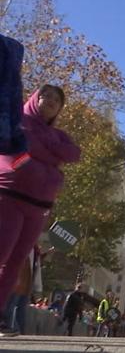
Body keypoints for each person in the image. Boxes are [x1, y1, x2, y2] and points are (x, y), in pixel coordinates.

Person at [0, 86, 80, 319]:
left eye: (58, 99)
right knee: (2, 252)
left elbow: (74, 153)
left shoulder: (58, 135)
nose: (52, 101)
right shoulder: (18, 120)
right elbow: (21, 149)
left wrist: (44, 151)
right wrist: (51, 158)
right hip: (10, 195)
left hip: (39, 205)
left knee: (16, 263)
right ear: (36, 98)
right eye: (47, 96)